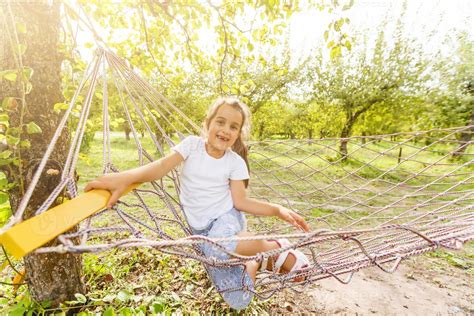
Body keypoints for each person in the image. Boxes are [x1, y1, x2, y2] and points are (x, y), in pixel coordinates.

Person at [85, 97, 311, 309]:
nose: (225, 130)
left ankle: (272, 247)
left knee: (218, 247)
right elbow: (161, 167)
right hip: (202, 231)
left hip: (226, 220)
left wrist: (276, 210)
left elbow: (240, 202)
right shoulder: (192, 146)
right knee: (238, 299)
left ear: (238, 133)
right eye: (220, 122)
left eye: (233, 126)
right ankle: (254, 262)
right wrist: (125, 178)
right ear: (207, 123)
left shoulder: (235, 162)